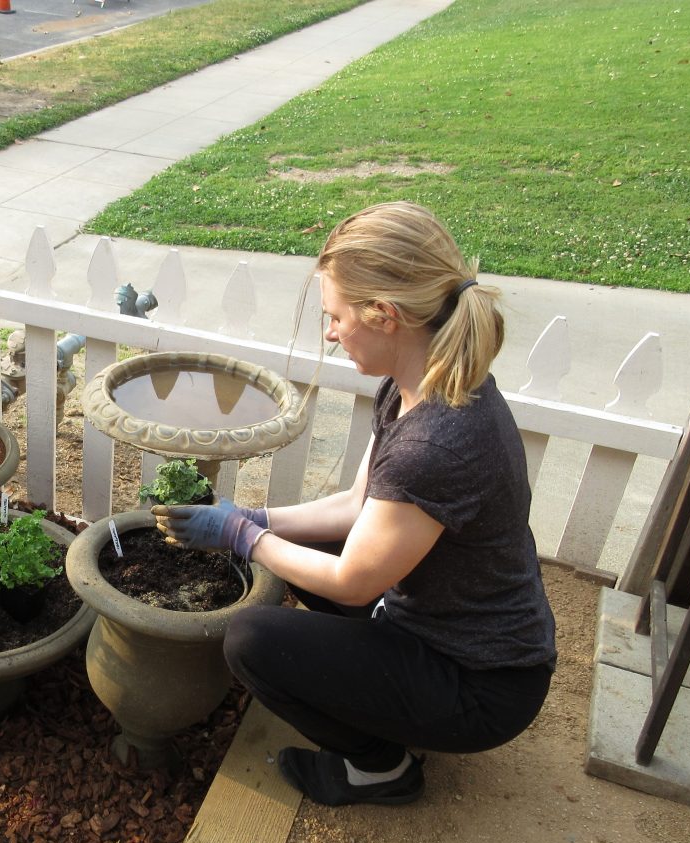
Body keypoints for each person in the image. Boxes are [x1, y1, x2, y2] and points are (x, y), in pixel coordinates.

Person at [153, 201, 556, 807]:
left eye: (336, 317)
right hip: (428, 625)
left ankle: (381, 768)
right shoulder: (420, 383)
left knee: (253, 639)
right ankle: (387, 698)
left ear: (385, 315)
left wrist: (243, 537)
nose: (330, 332)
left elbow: (350, 583)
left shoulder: (439, 442)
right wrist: (256, 520)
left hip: (480, 683)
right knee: (297, 547)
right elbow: (354, 506)